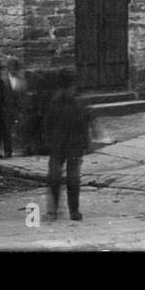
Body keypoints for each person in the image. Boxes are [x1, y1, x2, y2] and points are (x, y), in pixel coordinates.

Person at [43, 69, 90, 221]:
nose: (70, 90)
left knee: (73, 178)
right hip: (58, 146)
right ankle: (54, 209)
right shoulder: (55, 103)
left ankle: (74, 210)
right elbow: (47, 124)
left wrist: (84, 142)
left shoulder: (78, 104)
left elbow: (85, 123)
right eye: (68, 87)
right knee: (54, 177)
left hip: (73, 146)